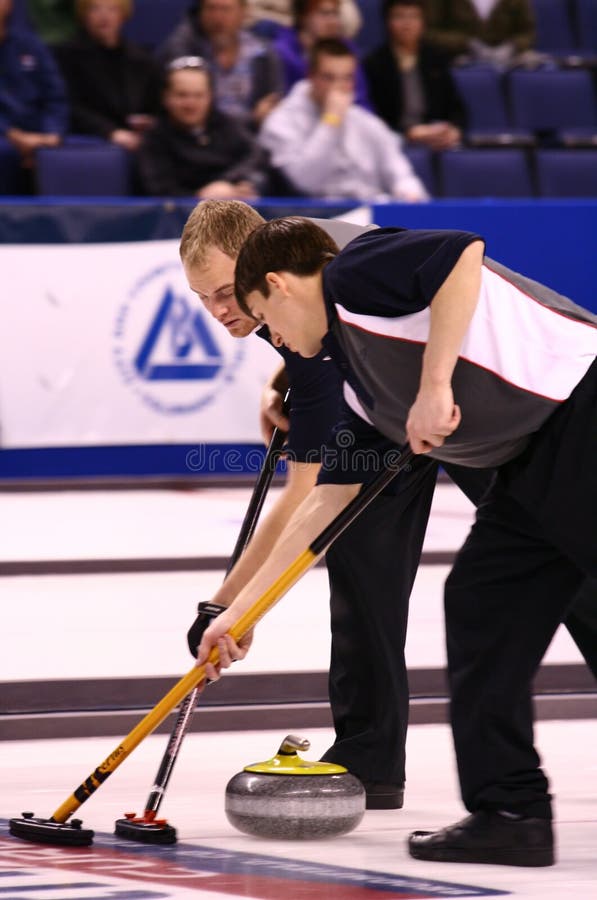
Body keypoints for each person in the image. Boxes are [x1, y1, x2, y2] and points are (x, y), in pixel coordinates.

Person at [195, 215, 596, 867]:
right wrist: (236, 617)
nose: (274, 341)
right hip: (529, 462)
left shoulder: (350, 273)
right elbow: (327, 501)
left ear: (278, 286)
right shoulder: (356, 382)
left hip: (583, 409)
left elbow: (459, 254)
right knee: (479, 607)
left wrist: (434, 385)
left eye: (265, 321)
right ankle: (509, 812)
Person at [179, 199, 448, 809]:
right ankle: (371, 758)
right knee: (365, 556)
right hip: (410, 399)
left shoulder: (316, 305)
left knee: (547, 549)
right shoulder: (293, 280)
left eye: (226, 292)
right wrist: (289, 386)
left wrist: (228, 605)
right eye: (202, 298)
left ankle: (372, 754)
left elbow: (308, 499)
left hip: (477, 394)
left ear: (262, 274)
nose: (218, 312)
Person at [259, 38, 429, 201]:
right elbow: (306, 182)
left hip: (368, 216)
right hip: (310, 220)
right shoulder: (280, 123)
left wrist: (409, 192)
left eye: (347, 78)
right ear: (311, 76)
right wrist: (331, 121)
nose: (339, 86)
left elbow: (401, 174)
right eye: (329, 77)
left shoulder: (365, 121)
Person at [137, 59, 269, 199]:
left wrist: (226, 183)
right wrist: (201, 198)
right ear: (166, 97)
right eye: (182, 95)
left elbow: (257, 154)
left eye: (199, 95)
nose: (191, 104)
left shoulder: (226, 125)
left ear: (210, 97)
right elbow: (159, 191)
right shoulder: (154, 139)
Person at [156, 0, 282, 130]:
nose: (218, 17)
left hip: (252, 139)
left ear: (243, 13)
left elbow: (273, 102)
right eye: (211, 8)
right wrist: (251, 119)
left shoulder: (262, 53)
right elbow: (184, 109)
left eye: (225, 9)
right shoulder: (181, 50)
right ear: (200, 12)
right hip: (198, 138)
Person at [54, 0, 161, 152]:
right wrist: (110, 132)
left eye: (112, 9)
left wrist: (149, 121)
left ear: (123, 15)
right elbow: (70, 107)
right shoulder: (67, 55)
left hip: (137, 140)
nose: (104, 16)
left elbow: (154, 104)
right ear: (84, 15)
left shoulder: (142, 58)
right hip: (92, 142)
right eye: (95, 9)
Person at [364, 0, 463, 151]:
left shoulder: (436, 59)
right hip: (394, 140)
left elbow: (456, 107)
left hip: (435, 137)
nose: (407, 24)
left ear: (423, 22)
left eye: (414, 17)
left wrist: (455, 130)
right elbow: (371, 116)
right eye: (400, 17)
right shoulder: (374, 64)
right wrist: (407, 133)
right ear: (387, 22)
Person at [0, 0, 68, 192]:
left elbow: (55, 97)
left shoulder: (30, 45)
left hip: (38, 136)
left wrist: (51, 135)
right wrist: (12, 134)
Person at [273, 0, 369, 105]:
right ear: (304, 16)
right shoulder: (282, 54)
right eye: (325, 13)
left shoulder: (346, 49)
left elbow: (361, 100)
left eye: (336, 13)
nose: (333, 22)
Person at [423, 0, 535, 66]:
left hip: (506, 64)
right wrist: (466, 43)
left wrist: (512, 46)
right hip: (454, 62)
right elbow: (429, 32)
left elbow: (527, 32)